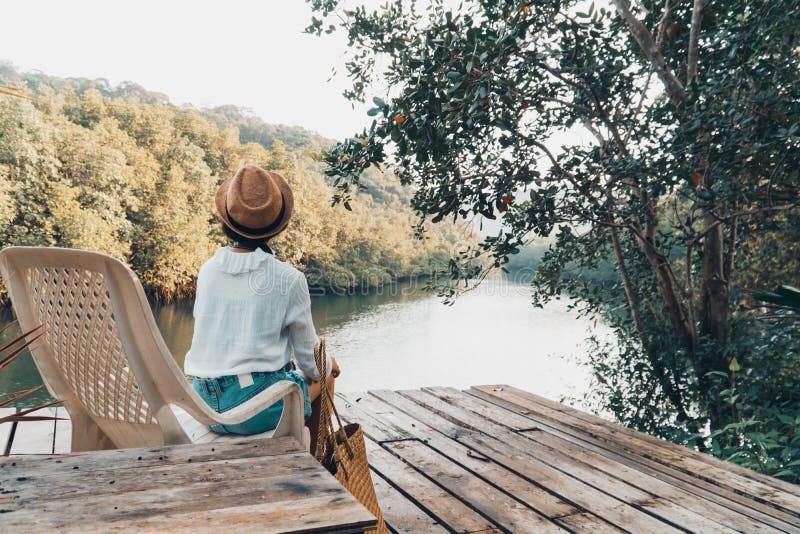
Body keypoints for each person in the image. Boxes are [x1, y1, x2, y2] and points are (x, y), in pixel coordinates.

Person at [184, 164, 339, 451]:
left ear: (228, 221)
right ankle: (314, 461)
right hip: (251, 411)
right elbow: (312, 364)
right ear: (277, 226)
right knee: (326, 375)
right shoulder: (289, 279)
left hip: (202, 403)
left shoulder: (208, 270)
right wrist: (330, 365)